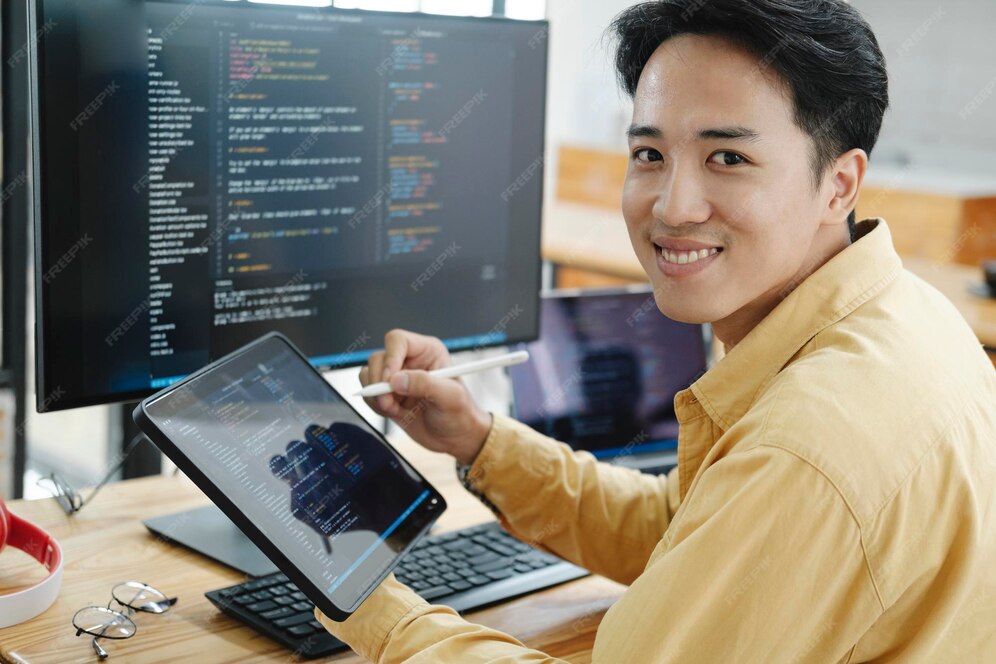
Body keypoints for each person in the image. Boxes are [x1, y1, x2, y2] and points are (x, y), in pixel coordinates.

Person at [315, 0, 996, 661]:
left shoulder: (809, 449)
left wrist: (372, 606)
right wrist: (480, 440)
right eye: (649, 153)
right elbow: (690, 531)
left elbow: (775, 496)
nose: (671, 206)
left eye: (727, 158)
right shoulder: (907, 310)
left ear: (840, 186)